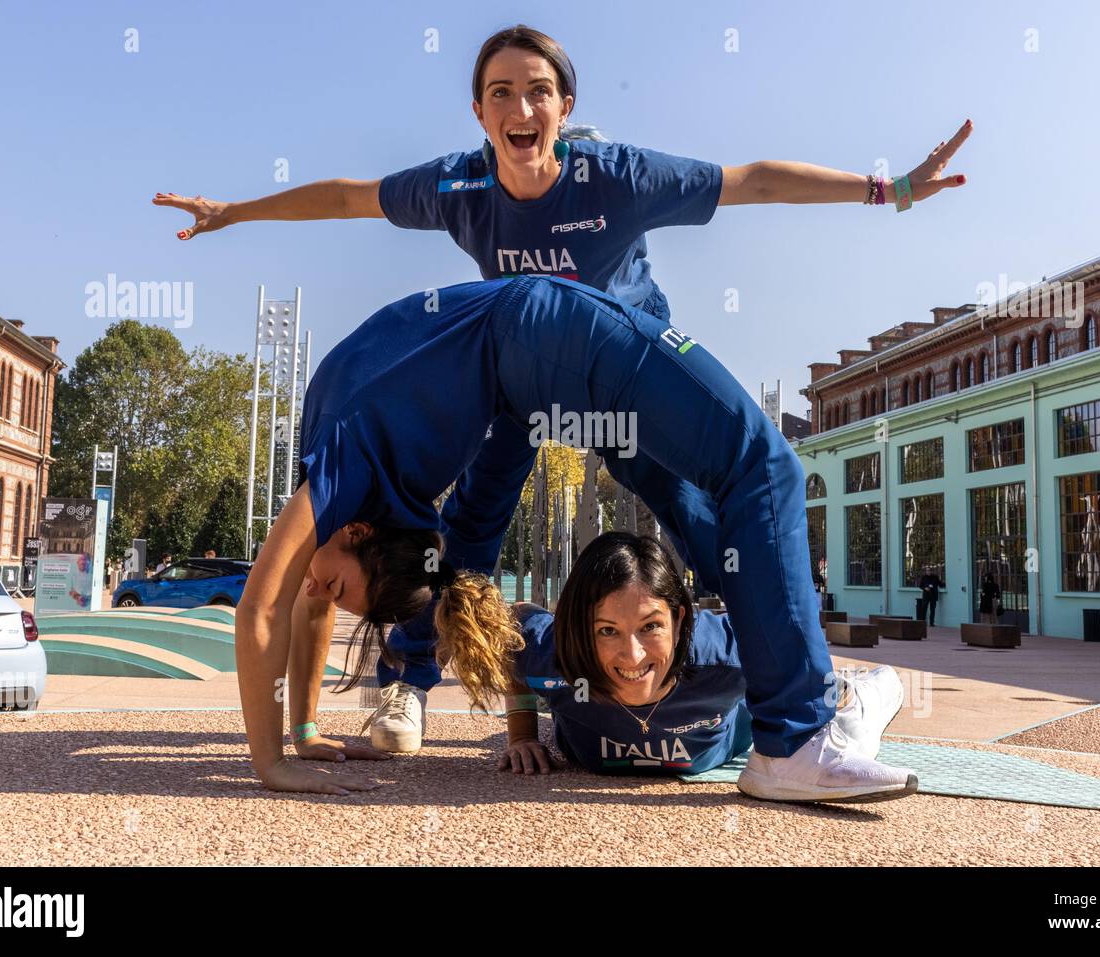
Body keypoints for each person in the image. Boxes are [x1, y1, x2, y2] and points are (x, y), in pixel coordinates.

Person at [157, 24, 973, 755]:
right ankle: (409, 682)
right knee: (472, 512)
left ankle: (751, 638)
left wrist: (887, 189)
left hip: (622, 375)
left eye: (538, 92)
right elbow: (345, 197)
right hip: (517, 375)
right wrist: (236, 211)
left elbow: (751, 179)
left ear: (564, 107)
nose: (521, 109)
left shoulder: (615, 177)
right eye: (501, 93)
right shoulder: (460, 187)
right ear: (480, 116)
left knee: (682, 494)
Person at [235, 274, 918, 803]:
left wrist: (269, 761)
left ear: (357, 532)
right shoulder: (355, 504)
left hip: (540, 333)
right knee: (722, 469)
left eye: (332, 582)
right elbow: (308, 600)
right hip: (528, 364)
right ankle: (794, 728)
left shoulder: (341, 467)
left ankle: (797, 734)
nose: (315, 585)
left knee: (764, 466)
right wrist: (301, 731)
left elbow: (263, 606)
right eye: (329, 585)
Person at [500, 532, 904, 779]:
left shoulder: (723, 655)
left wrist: (833, 695)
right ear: (579, 632)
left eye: (650, 627)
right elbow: (513, 625)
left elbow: (795, 645)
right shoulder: (560, 656)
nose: (633, 654)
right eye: (607, 630)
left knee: (830, 694)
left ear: (678, 621)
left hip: (741, 723)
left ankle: (864, 690)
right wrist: (521, 735)